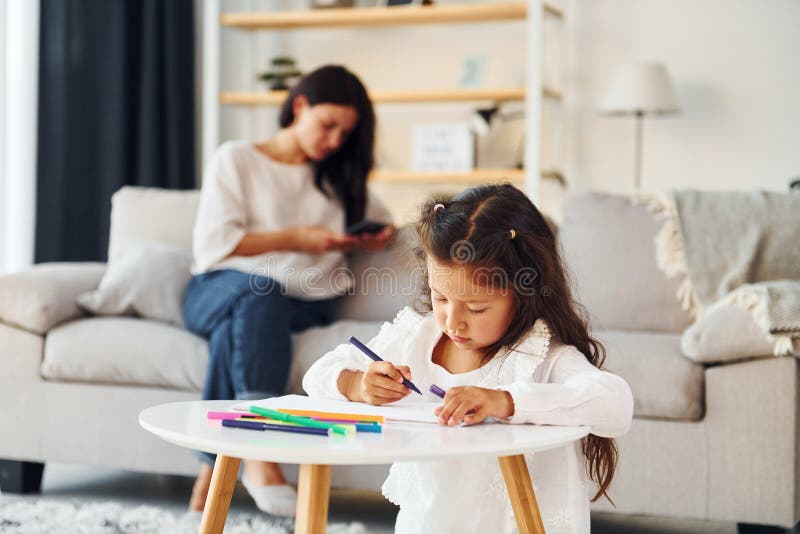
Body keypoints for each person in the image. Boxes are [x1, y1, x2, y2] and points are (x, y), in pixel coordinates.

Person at [303, 183, 633, 533]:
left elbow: (615, 402)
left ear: (524, 294)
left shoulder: (538, 356)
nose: (453, 321)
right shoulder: (415, 338)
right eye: (440, 297)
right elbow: (317, 374)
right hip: (430, 522)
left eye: (476, 308)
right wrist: (357, 384)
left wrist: (505, 401)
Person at [183, 65, 394, 515]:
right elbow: (214, 245)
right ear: (299, 106)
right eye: (327, 125)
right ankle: (260, 454)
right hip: (217, 289)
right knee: (259, 293)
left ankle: (211, 471)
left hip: (302, 303)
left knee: (241, 329)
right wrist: (297, 238)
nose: (335, 141)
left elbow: (382, 220)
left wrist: (373, 238)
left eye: (345, 133)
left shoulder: (337, 179)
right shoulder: (237, 159)